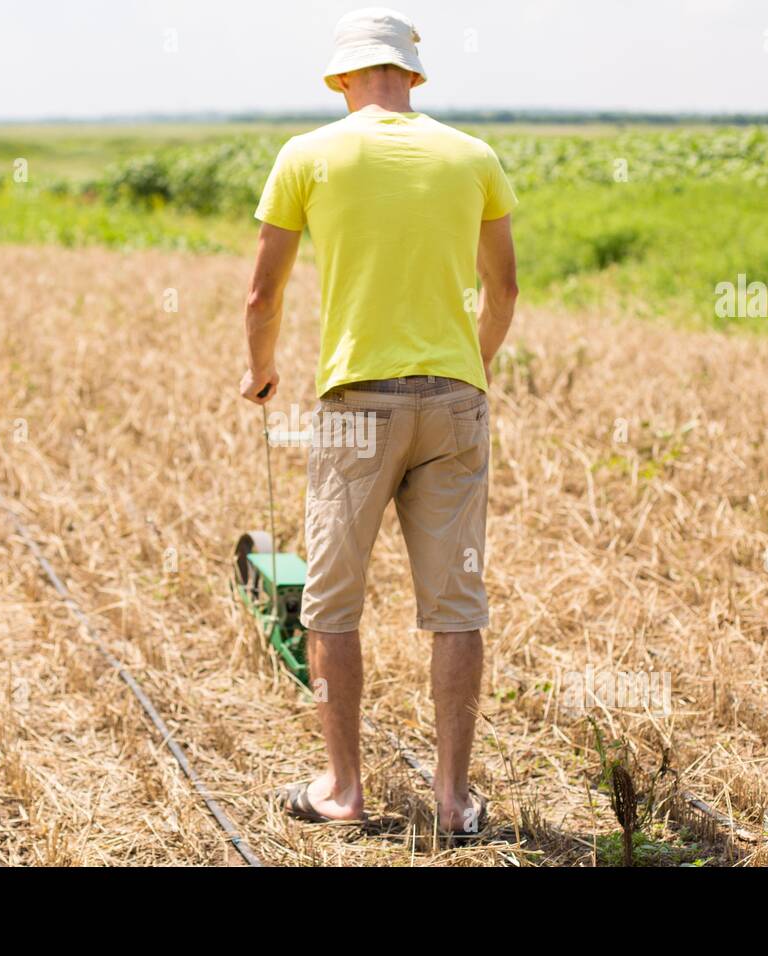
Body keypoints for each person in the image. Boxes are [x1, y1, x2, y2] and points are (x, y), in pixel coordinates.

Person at [239, 6, 519, 835]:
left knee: (331, 606)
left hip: (357, 405)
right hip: (454, 402)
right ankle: (454, 801)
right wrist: (471, 368)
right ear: (413, 73)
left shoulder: (308, 156)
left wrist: (260, 372)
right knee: (457, 606)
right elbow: (503, 293)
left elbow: (262, 293)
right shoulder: (474, 157)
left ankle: (343, 791)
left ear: (342, 76)